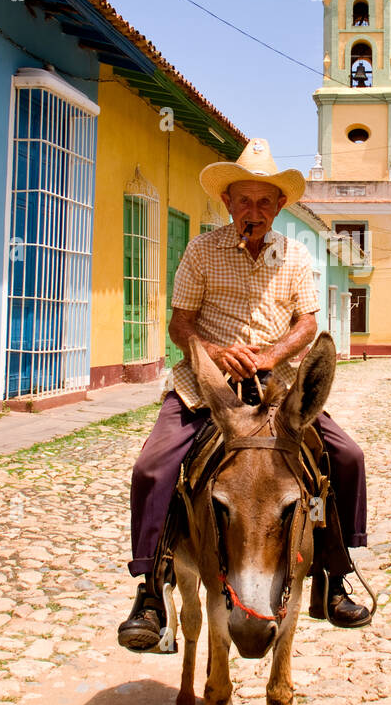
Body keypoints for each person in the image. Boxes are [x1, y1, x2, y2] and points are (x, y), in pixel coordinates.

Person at [118, 138, 371, 651]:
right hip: (205, 386)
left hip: (276, 389)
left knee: (346, 456)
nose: (253, 210)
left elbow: (306, 323)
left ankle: (334, 573)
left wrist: (271, 356)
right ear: (228, 203)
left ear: (279, 206)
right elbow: (180, 325)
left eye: (264, 201)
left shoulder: (296, 255)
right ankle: (150, 587)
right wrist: (214, 352)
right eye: (243, 200)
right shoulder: (201, 251)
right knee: (152, 467)